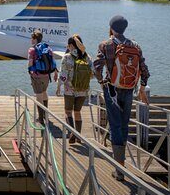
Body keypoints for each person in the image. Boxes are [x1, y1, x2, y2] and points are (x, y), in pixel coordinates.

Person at [93, 15, 150, 181]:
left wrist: (102, 81)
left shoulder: (106, 45)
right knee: (124, 125)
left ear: (111, 27)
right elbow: (144, 69)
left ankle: (119, 170)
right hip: (129, 89)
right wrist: (142, 87)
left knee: (115, 125)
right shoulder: (136, 46)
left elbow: (97, 67)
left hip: (113, 90)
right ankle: (121, 164)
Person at [57, 34, 93, 144]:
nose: (67, 48)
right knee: (77, 112)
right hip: (83, 89)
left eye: (68, 45)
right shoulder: (87, 57)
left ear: (71, 45)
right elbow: (92, 74)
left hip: (69, 89)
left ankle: (72, 133)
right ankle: (78, 136)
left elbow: (63, 75)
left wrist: (59, 86)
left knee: (68, 111)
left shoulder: (67, 57)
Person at [28, 30, 58, 124]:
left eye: (32, 38)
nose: (31, 40)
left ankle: (40, 118)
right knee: (44, 92)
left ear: (35, 39)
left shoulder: (32, 50)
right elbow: (52, 59)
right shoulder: (48, 48)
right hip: (46, 75)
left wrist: (29, 70)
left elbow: (30, 62)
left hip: (37, 76)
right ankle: (45, 114)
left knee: (38, 95)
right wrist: (55, 72)